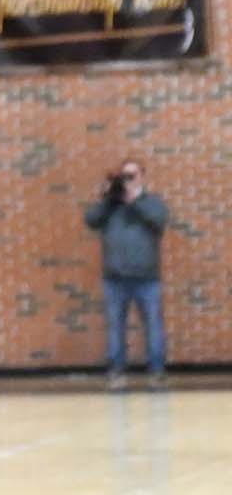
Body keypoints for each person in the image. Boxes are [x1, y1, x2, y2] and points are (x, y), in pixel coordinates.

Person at [85, 158, 168, 389]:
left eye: (132, 175)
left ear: (142, 177)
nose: (127, 180)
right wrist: (105, 199)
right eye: (124, 176)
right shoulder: (111, 206)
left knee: (153, 325)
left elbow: (158, 222)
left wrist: (134, 201)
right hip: (115, 278)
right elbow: (91, 220)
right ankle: (116, 371)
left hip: (146, 278)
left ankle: (157, 371)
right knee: (115, 327)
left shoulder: (152, 202)